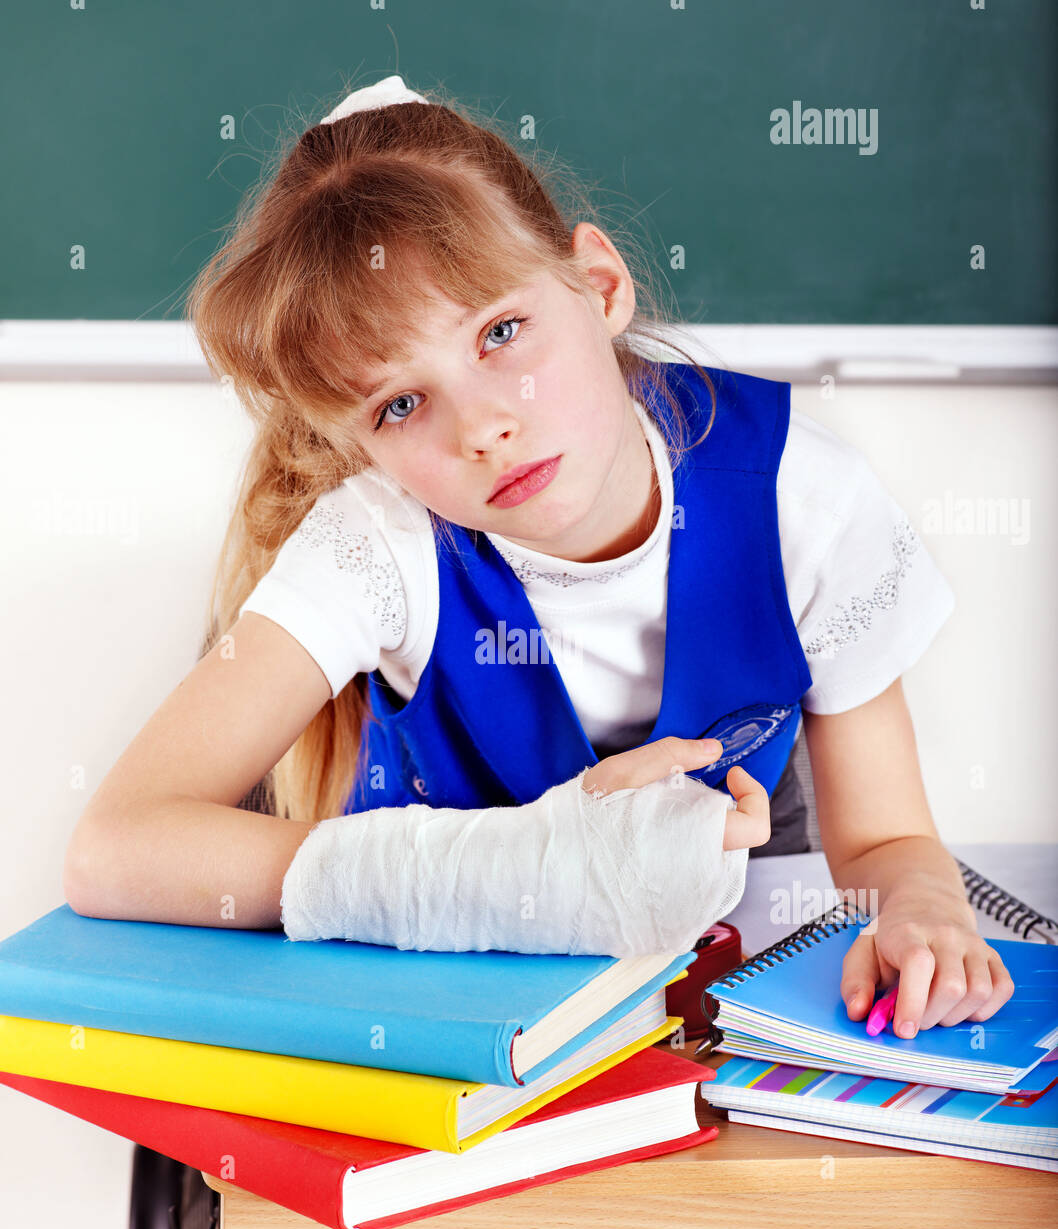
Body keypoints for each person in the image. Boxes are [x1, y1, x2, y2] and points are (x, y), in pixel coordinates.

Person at [64, 75, 1013, 1036]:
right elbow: (114, 848)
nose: (481, 427)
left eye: (500, 333)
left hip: (718, 980)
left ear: (598, 286)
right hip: (448, 1013)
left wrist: (921, 910)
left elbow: (888, 840)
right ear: (364, 450)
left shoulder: (805, 502)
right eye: (399, 403)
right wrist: (520, 866)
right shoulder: (379, 543)